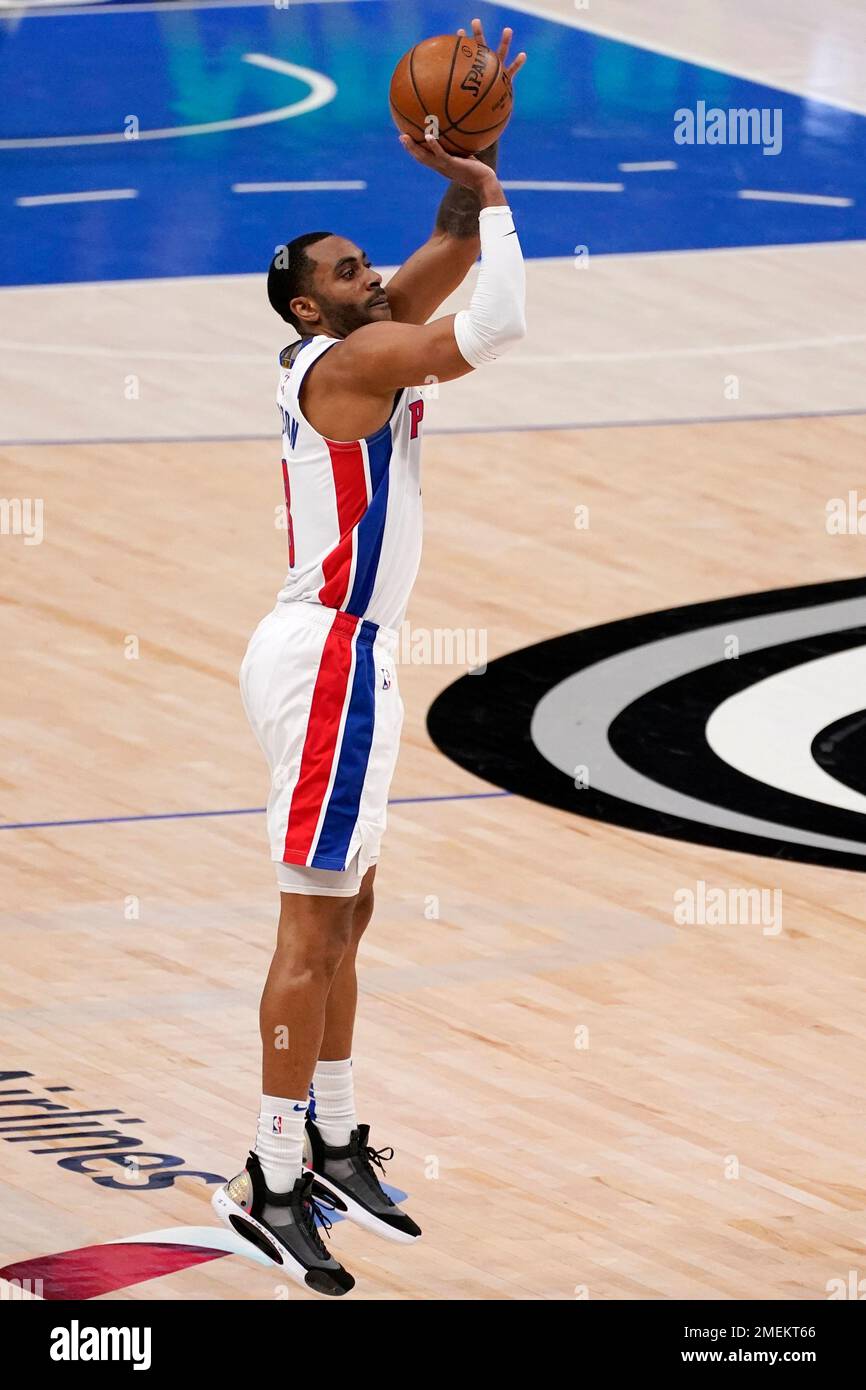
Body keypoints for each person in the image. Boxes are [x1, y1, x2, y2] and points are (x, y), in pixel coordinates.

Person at [212, 19, 528, 1298]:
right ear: (310, 304)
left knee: (353, 909)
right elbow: (490, 322)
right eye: (352, 270)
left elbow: (442, 250)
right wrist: (498, 200)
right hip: (325, 659)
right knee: (307, 923)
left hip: (355, 656)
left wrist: (460, 157)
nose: (375, 275)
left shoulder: (360, 333)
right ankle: (271, 1173)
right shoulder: (349, 362)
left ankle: (332, 1130)